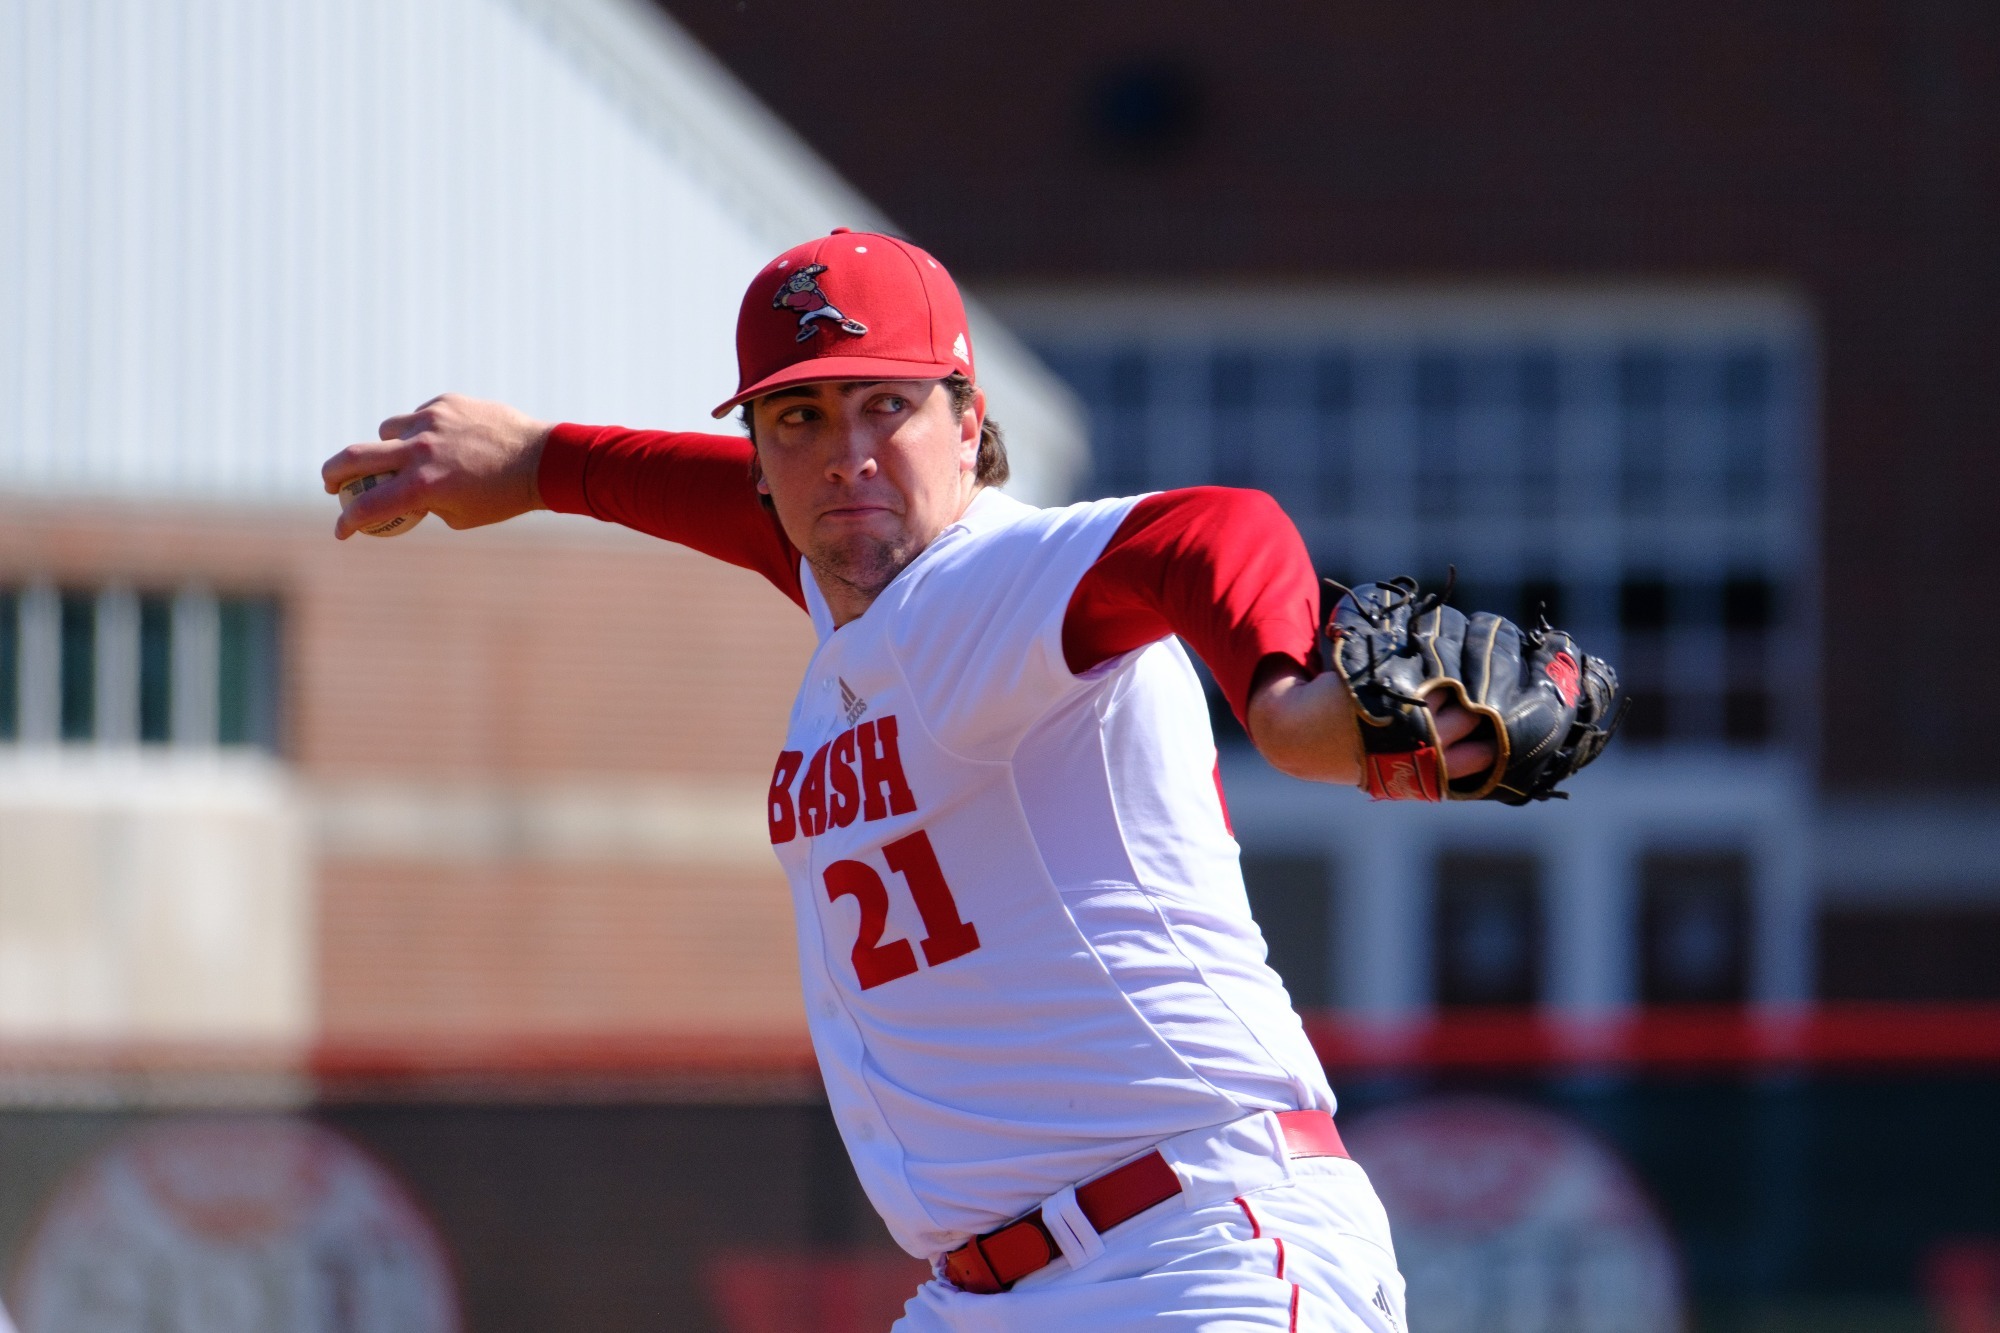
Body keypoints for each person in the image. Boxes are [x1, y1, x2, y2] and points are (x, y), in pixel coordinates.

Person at [323, 229, 1498, 1331]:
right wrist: (539, 463)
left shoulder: (990, 581)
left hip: (1191, 1254)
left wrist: (1283, 691)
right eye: (797, 415)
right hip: (985, 1290)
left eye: (888, 404)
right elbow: (782, 520)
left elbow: (1203, 530)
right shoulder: (872, 616)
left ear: (967, 415)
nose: (846, 455)